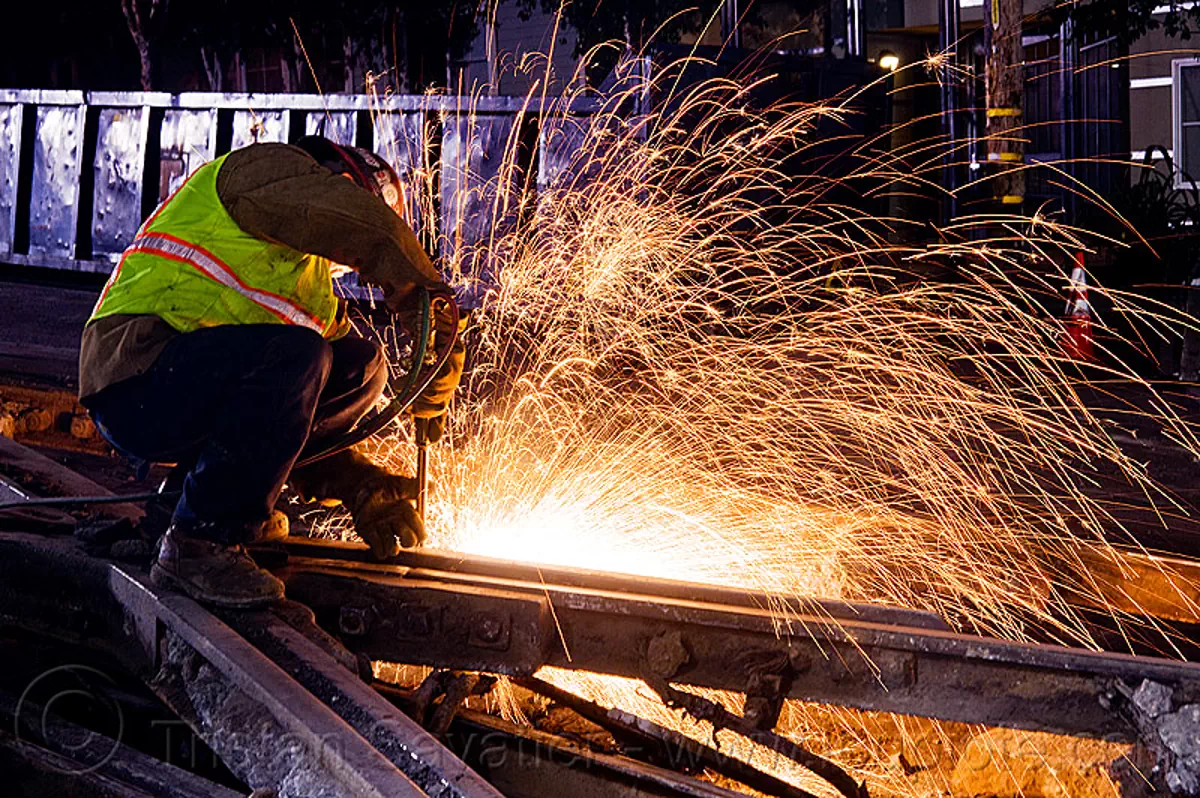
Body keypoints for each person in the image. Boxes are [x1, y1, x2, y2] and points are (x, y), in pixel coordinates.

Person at [78, 136, 464, 609]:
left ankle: (182, 507)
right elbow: (360, 224)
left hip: (190, 387)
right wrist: (428, 304)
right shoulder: (261, 170)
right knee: (300, 355)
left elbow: (290, 413)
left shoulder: (313, 288)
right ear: (338, 184)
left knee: (359, 367)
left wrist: (360, 484)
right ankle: (200, 544)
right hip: (134, 376)